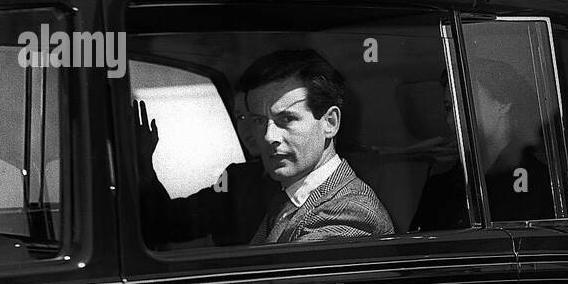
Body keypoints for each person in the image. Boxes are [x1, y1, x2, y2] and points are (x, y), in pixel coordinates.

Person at [136, 48, 392, 247]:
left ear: (330, 122)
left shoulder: (352, 214)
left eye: (287, 119)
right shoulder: (281, 190)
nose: (268, 136)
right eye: (259, 120)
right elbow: (172, 222)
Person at [135, 64, 282, 248]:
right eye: (240, 117)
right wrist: (145, 163)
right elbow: (173, 222)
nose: (247, 128)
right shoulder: (235, 178)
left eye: (256, 118)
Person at [409, 61, 554, 230]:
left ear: (503, 103)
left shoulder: (542, 183)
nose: (451, 120)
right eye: (449, 108)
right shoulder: (438, 188)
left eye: (463, 106)